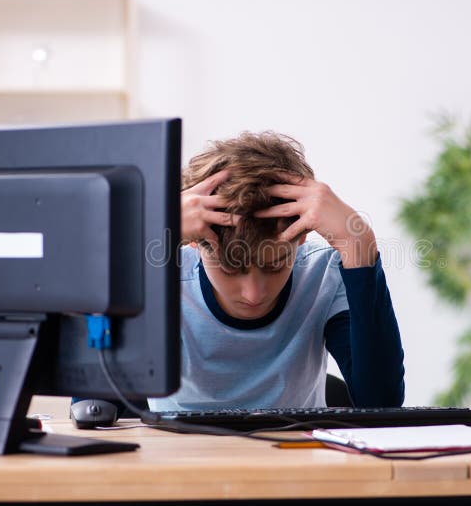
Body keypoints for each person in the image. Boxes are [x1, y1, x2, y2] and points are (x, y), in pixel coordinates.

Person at [147, 131, 404, 411]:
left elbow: (381, 403)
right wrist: (148, 235)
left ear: (302, 236)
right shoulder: (162, 276)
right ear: (194, 242)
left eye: (276, 264)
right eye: (230, 269)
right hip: (177, 453)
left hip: (295, 454)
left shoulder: (324, 277)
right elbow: (99, 394)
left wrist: (360, 246)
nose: (254, 294)